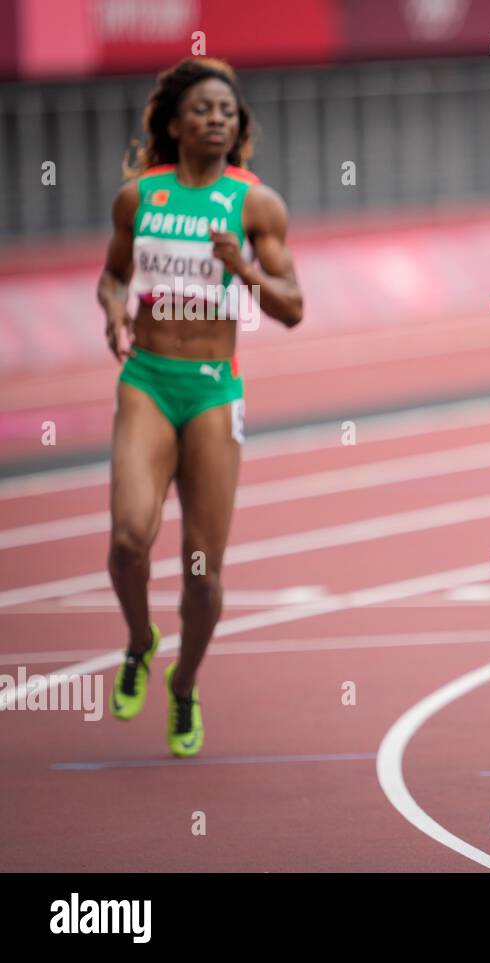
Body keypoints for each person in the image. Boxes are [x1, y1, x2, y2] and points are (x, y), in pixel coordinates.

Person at [97, 57, 303, 756]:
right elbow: (112, 272)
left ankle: (184, 684)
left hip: (214, 387)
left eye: (228, 111)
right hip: (148, 377)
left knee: (201, 569)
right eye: (203, 109)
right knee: (129, 537)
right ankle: (138, 640)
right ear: (175, 123)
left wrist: (243, 268)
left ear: (238, 126)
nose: (218, 119)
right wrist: (114, 305)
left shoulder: (256, 203)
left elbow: (294, 308)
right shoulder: (140, 197)